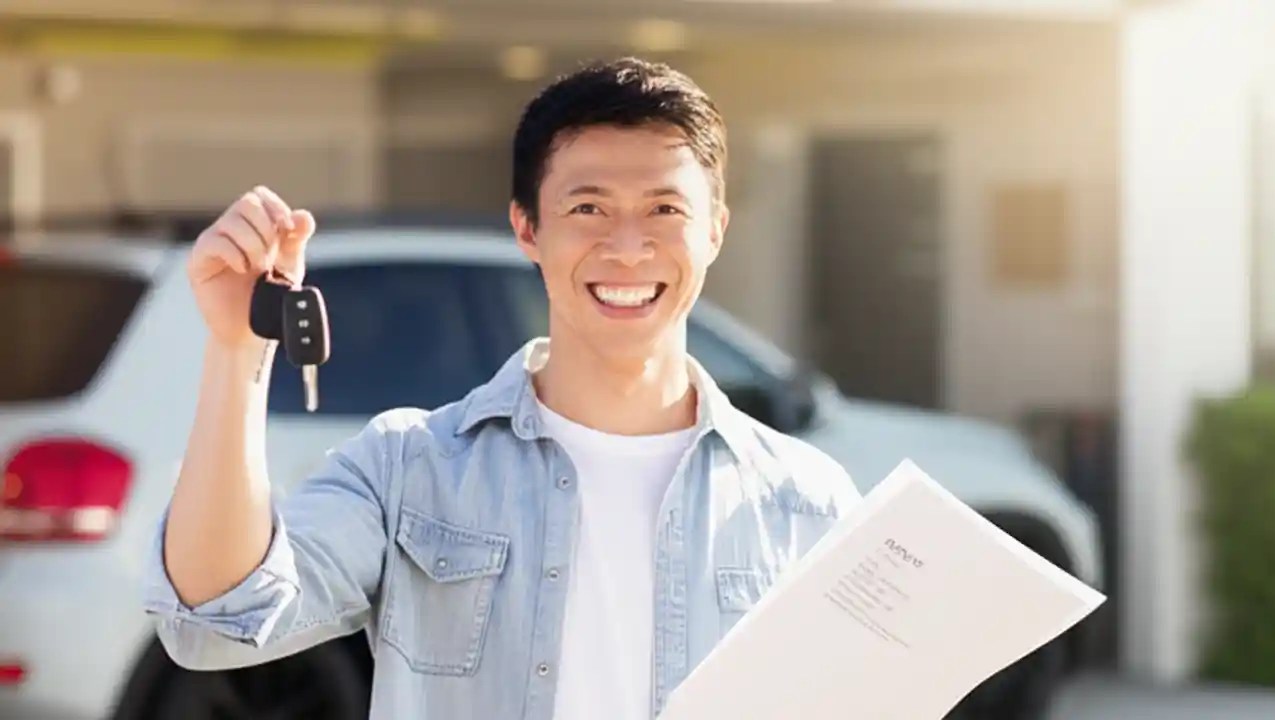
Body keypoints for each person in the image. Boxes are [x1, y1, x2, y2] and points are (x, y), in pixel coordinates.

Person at [144, 57, 861, 720]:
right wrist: (238, 348)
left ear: (715, 232)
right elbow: (218, 617)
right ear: (527, 228)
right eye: (589, 208)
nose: (628, 246)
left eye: (665, 210)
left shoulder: (806, 501)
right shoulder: (408, 468)